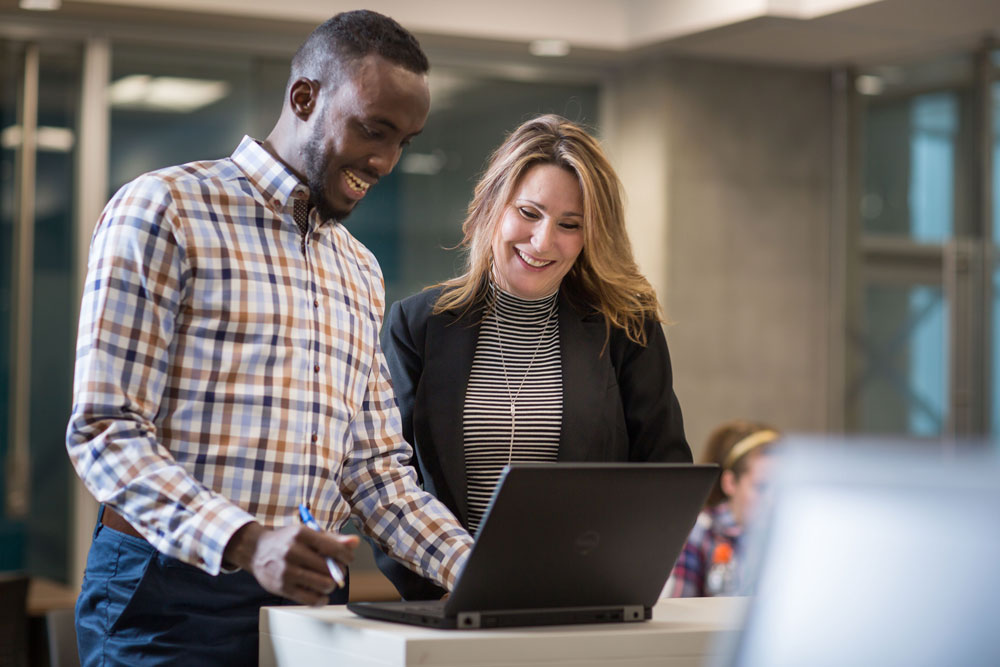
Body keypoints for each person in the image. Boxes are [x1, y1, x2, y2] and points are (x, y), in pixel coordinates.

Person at [65, 11, 473, 664]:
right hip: (166, 593)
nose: (385, 161)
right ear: (304, 97)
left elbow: (374, 473)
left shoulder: (359, 269)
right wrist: (249, 542)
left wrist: (479, 570)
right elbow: (105, 431)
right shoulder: (165, 209)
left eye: (404, 141)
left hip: (311, 601)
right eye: (373, 130)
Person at [374, 114, 692, 600]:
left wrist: (615, 581)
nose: (543, 241)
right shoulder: (417, 326)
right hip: (447, 601)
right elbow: (388, 481)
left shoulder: (626, 327)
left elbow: (665, 477)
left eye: (570, 225)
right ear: (492, 205)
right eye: (528, 212)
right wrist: (438, 591)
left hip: (583, 603)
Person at [665, 420, 780, 597]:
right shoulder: (702, 530)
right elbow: (677, 603)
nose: (772, 501)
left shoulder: (791, 533)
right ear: (730, 483)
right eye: (761, 488)